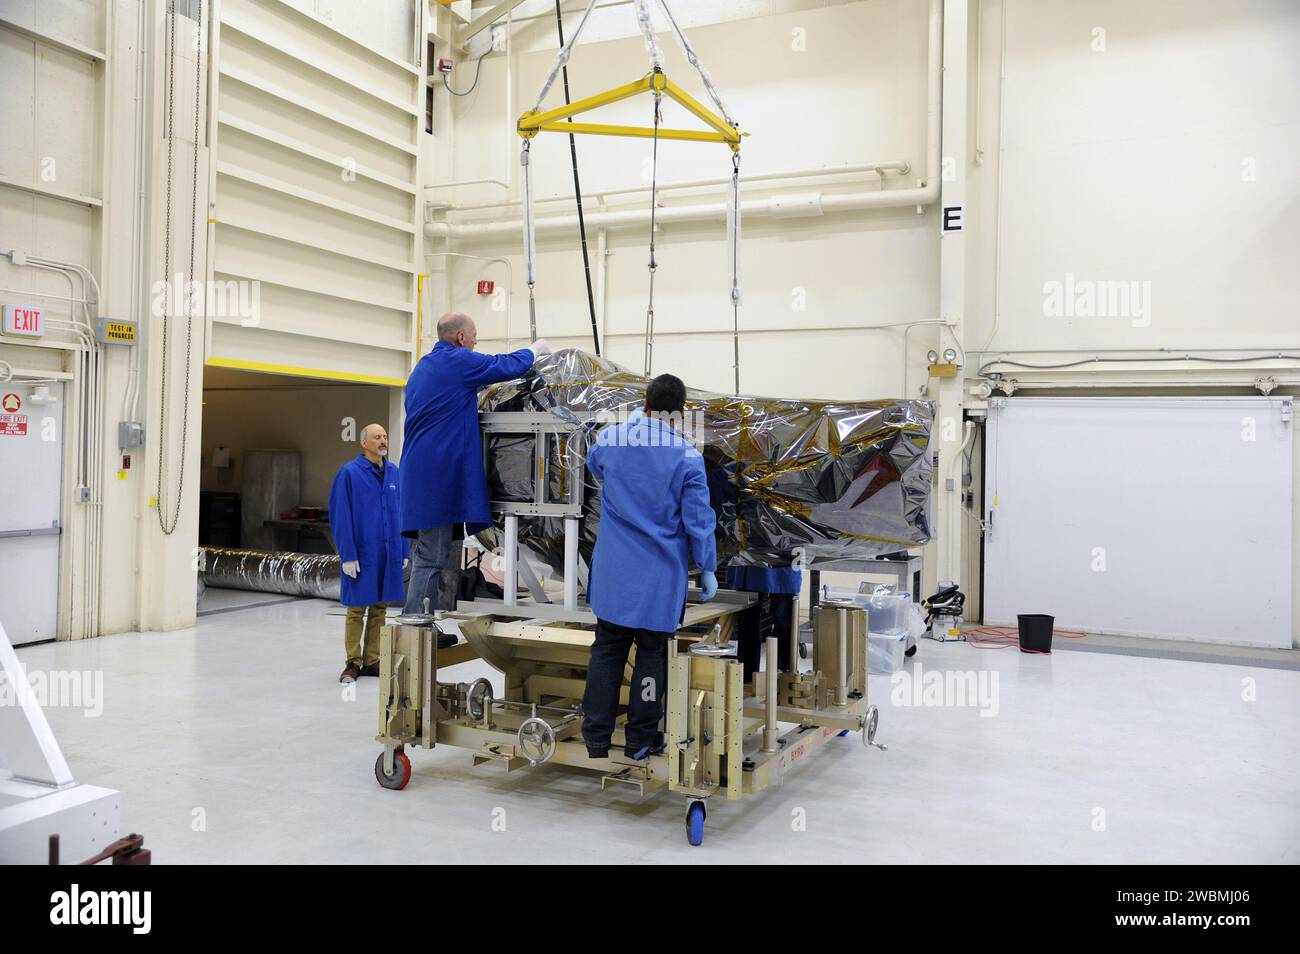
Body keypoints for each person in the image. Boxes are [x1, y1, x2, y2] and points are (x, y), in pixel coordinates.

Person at [580, 373, 719, 761]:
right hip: (659, 577)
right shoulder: (687, 457)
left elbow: (595, 467)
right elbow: (698, 519)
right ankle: (640, 740)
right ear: (679, 413)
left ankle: (595, 737)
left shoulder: (610, 440)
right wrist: (707, 566)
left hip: (613, 573)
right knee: (652, 653)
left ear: (644, 404)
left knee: (607, 648)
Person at [400, 311, 550, 646]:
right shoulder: (455, 362)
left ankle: (419, 621)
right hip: (436, 478)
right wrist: (534, 351)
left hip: (426, 474)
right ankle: (416, 626)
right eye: (475, 334)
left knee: (433, 552)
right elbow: (504, 365)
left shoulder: (426, 367)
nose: (477, 340)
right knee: (432, 555)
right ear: (460, 338)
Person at [329, 424, 407, 683]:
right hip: (363, 552)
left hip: (388, 551)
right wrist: (347, 554)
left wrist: (403, 548)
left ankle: (372, 659)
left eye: (385, 436)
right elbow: (341, 516)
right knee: (356, 608)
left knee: (380, 607)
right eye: (377, 437)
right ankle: (353, 662)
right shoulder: (349, 473)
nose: (383, 440)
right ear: (364, 443)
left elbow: (401, 512)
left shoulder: (394, 472)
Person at [727, 564, 802, 683]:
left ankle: (784, 677)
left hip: (784, 559)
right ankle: (747, 678)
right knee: (749, 618)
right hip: (752, 559)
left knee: (783, 619)